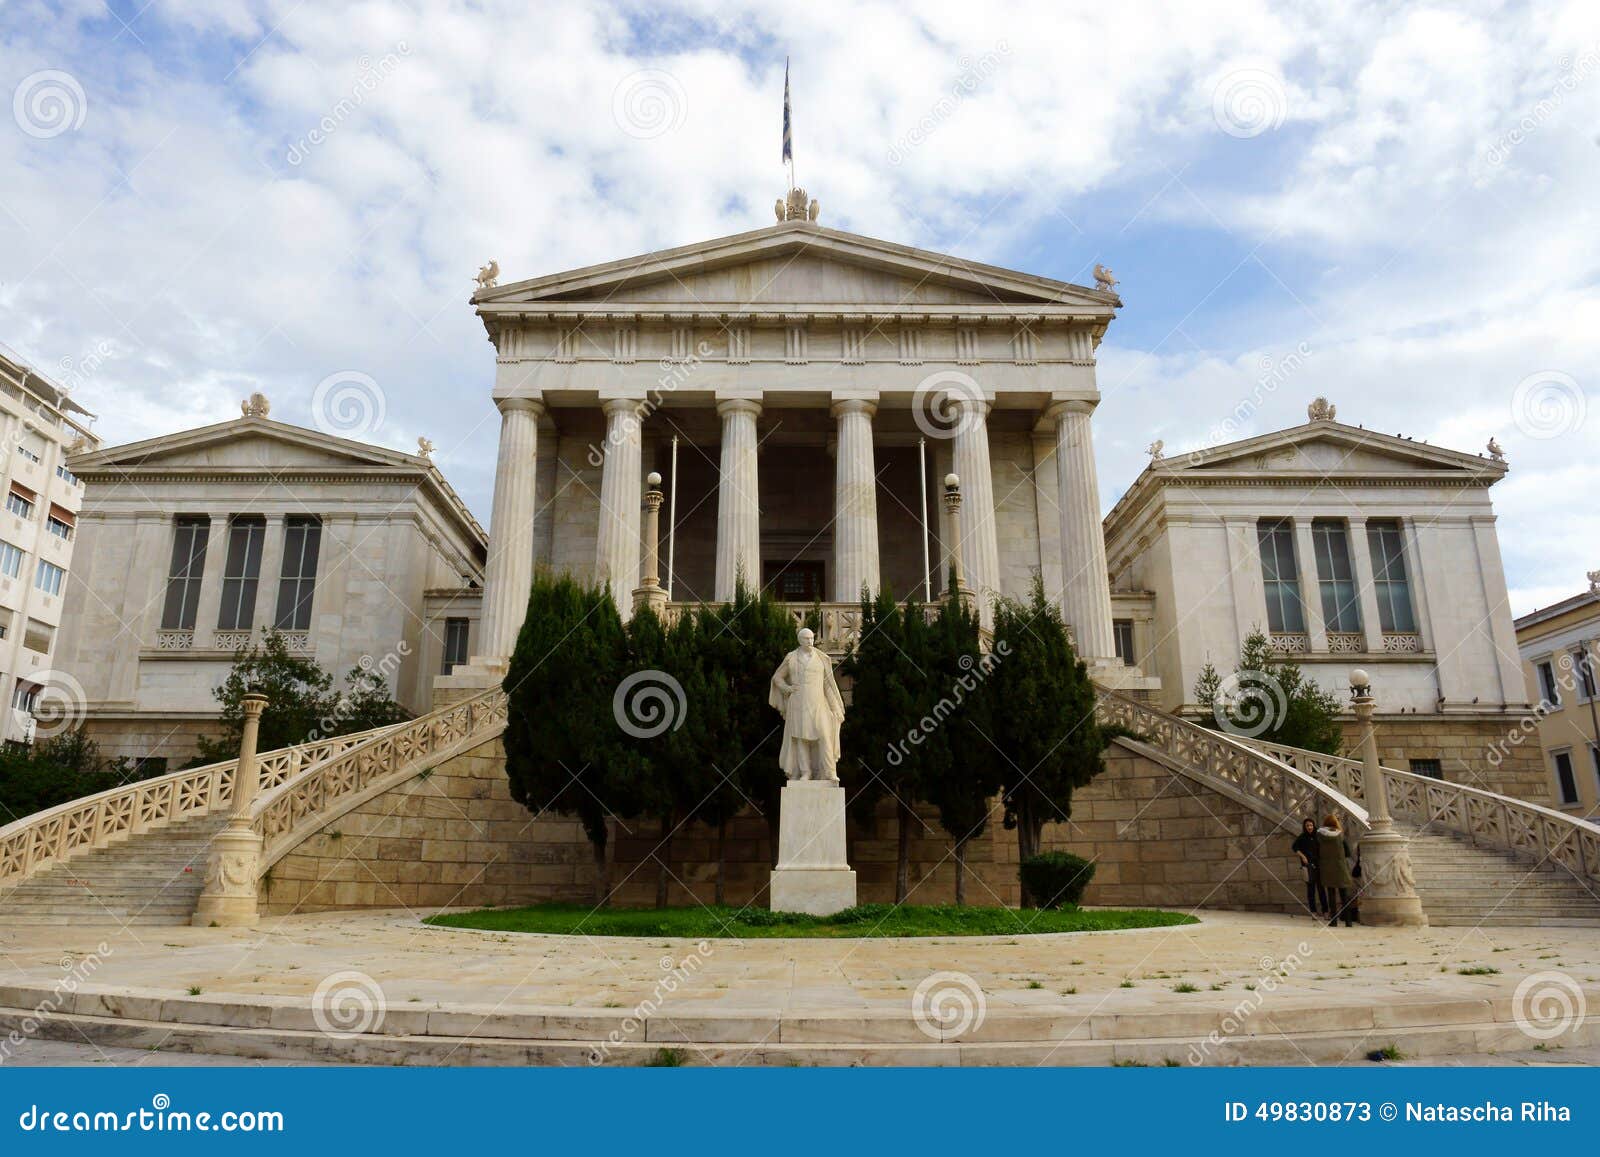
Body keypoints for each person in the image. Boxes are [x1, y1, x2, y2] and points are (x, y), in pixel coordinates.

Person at [1316, 813, 1356, 927]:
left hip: (1327, 867)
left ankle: (1333, 921)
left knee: (1331, 895)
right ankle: (1348, 922)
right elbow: (1347, 852)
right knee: (1344, 895)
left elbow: (1317, 850)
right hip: (1340, 867)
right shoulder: (1340, 835)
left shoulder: (1319, 835)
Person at [1291, 817, 1327, 918]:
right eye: (1307, 826)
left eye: (1311, 825)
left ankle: (1325, 912)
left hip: (1319, 865)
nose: (1309, 827)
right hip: (1307, 866)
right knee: (1310, 890)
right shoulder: (1302, 837)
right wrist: (1303, 857)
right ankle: (1313, 912)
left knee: (1321, 890)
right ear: (1304, 827)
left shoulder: (1318, 836)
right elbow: (1294, 847)